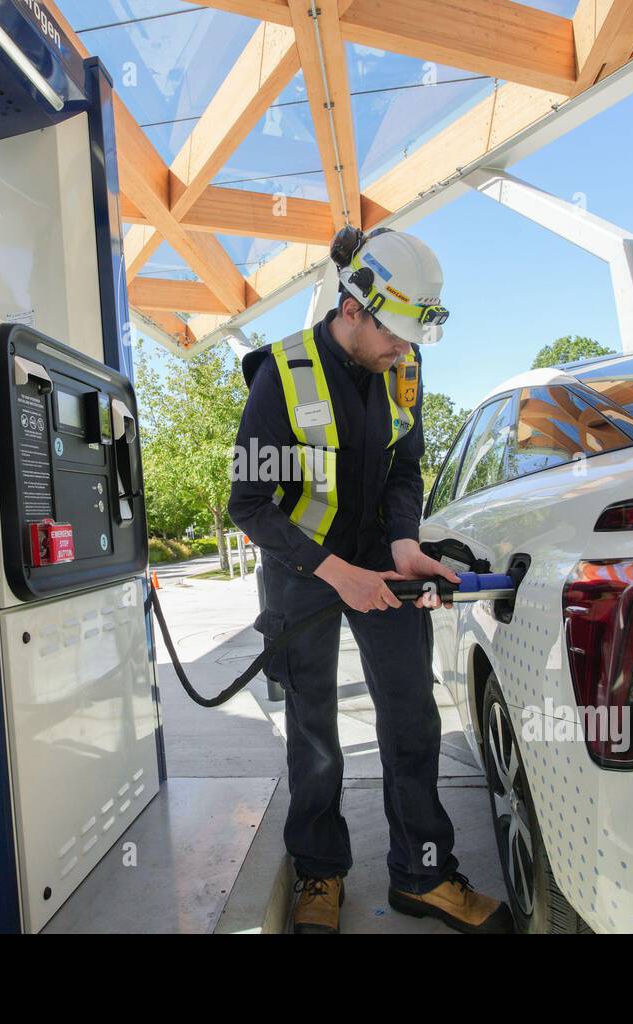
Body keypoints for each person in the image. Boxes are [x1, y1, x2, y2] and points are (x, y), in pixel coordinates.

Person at [227, 227, 512, 935]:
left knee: (413, 716)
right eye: (395, 332)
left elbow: (404, 469)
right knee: (315, 729)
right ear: (352, 307)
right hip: (303, 566)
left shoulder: (403, 369)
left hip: (381, 561)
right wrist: (334, 572)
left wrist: (405, 542)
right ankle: (320, 874)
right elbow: (250, 503)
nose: (404, 350)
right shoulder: (283, 372)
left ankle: (423, 872)